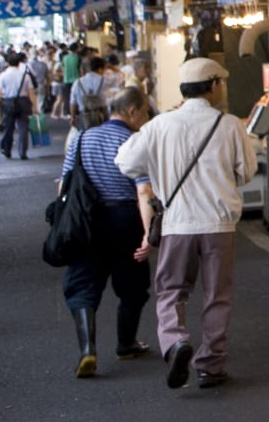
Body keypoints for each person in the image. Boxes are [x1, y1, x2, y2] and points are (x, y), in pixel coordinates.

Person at [114, 57, 258, 391]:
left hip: (177, 223)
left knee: (170, 291)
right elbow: (247, 172)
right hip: (218, 224)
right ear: (212, 86)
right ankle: (211, 365)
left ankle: (175, 341)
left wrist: (159, 169)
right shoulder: (230, 124)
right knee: (217, 295)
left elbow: (124, 162)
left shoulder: (160, 125)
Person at [59, 86, 156, 378]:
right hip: (125, 217)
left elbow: (64, 185)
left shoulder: (81, 138)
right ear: (132, 111)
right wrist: (148, 234)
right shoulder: (134, 141)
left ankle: (88, 350)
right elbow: (145, 191)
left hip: (86, 221)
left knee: (82, 285)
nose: (147, 118)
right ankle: (126, 343)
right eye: (145, 112)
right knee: (133, 286)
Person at [0, 52, 36, 160]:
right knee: (23, 128)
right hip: (23, 102)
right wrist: (35, 106)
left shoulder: (3, 75)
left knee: (9, 127)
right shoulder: (25, 76)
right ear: (19, 63)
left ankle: (7, 150)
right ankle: (22, 152)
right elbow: (31, 92)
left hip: (8, 103)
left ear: (7, 63)